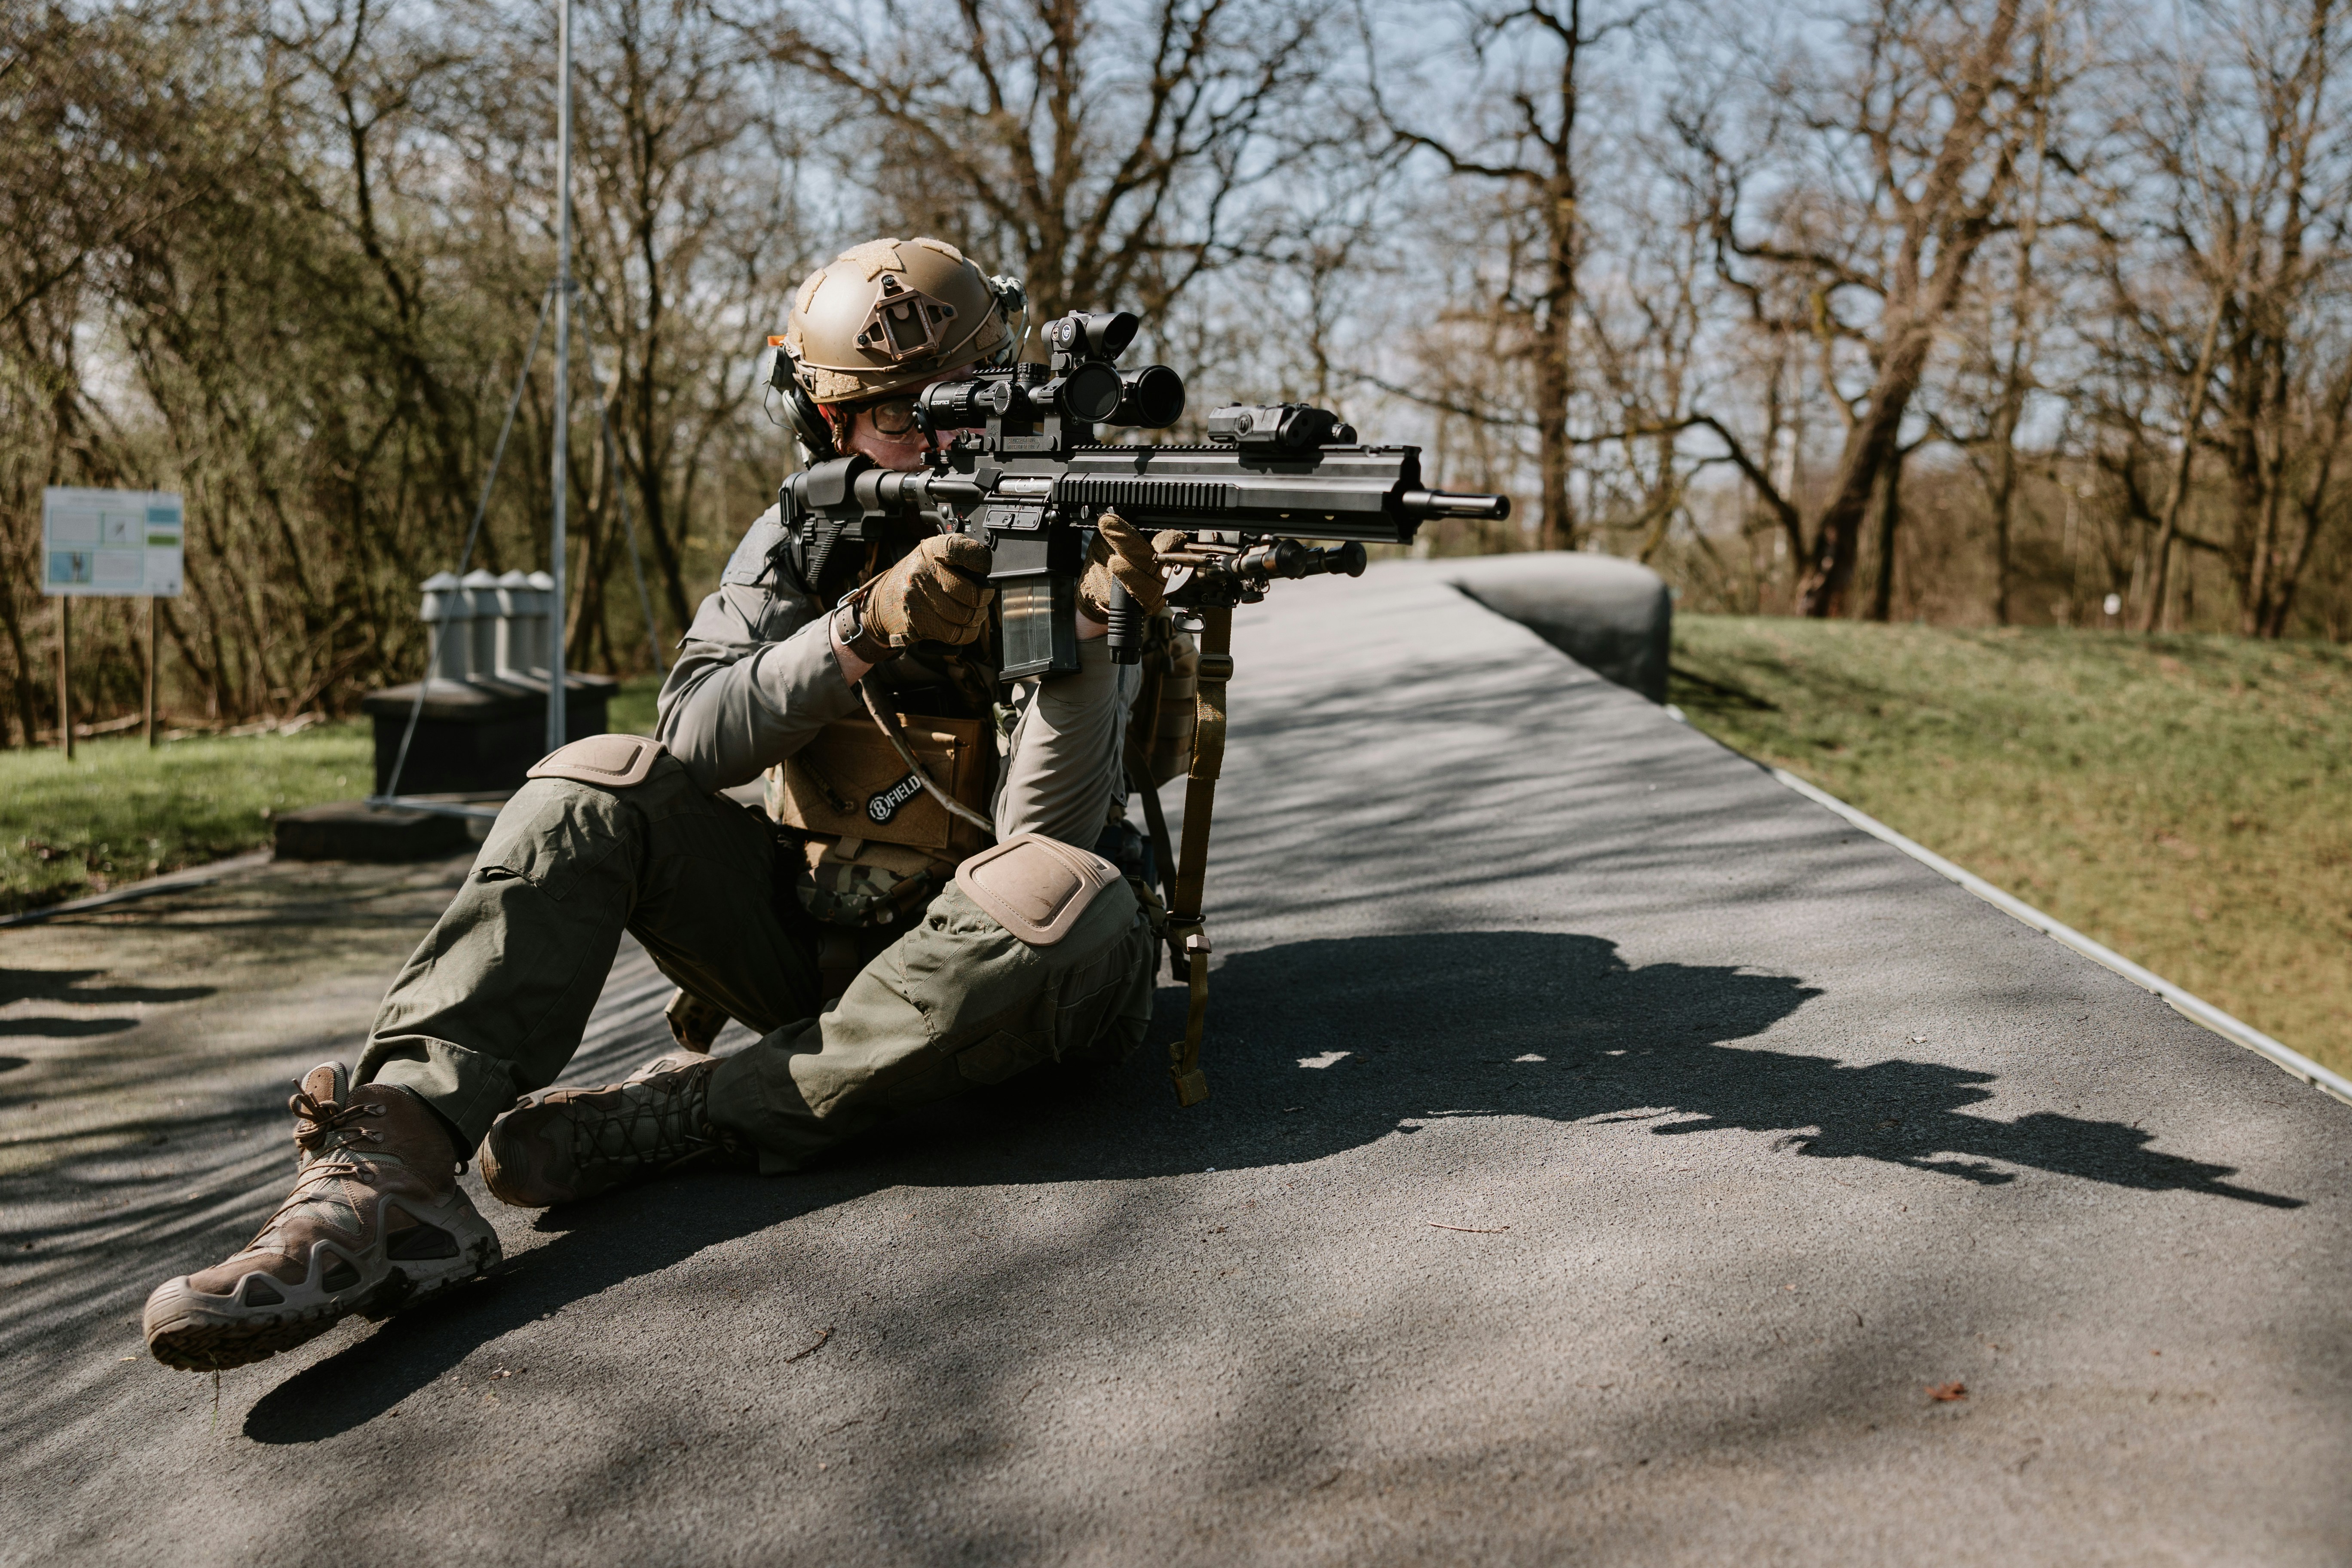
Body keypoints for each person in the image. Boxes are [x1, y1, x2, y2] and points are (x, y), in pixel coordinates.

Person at [141, 237, 1177, 1373]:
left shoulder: (1076, 549)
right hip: (820, 943)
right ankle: (385, 1176)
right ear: (837, 429)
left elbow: (1042, 853)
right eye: (897, 418)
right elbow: (692, 733)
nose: (937, 437)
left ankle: (690, 1114)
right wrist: (861, 628)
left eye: (964, 404)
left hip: (1017, 994)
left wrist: (1078, 654)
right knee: (591, 780)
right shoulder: (804, 532)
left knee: (1055, 894)